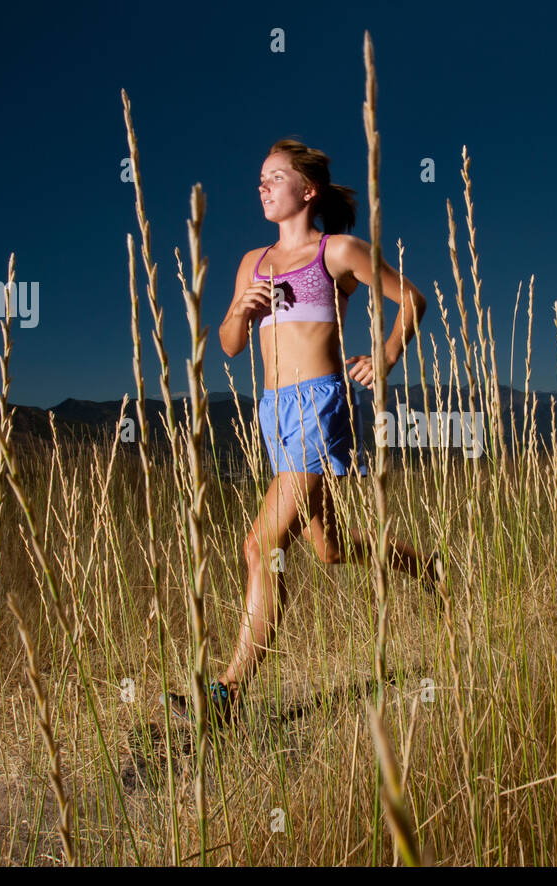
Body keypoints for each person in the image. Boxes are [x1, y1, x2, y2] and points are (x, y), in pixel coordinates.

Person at [166, 139, 445, 728]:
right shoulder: (253, 261)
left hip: (319, 406)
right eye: (259, 180)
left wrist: (387, 353)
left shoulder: (337, 251)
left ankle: (227, 693)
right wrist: (240, 309)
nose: (261, 186)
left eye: (274, 177)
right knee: (330, 548)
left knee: (260, 546)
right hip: (272, 408)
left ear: (307, 190)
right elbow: (229, 344)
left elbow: (413, 298)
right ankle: (427, 568)